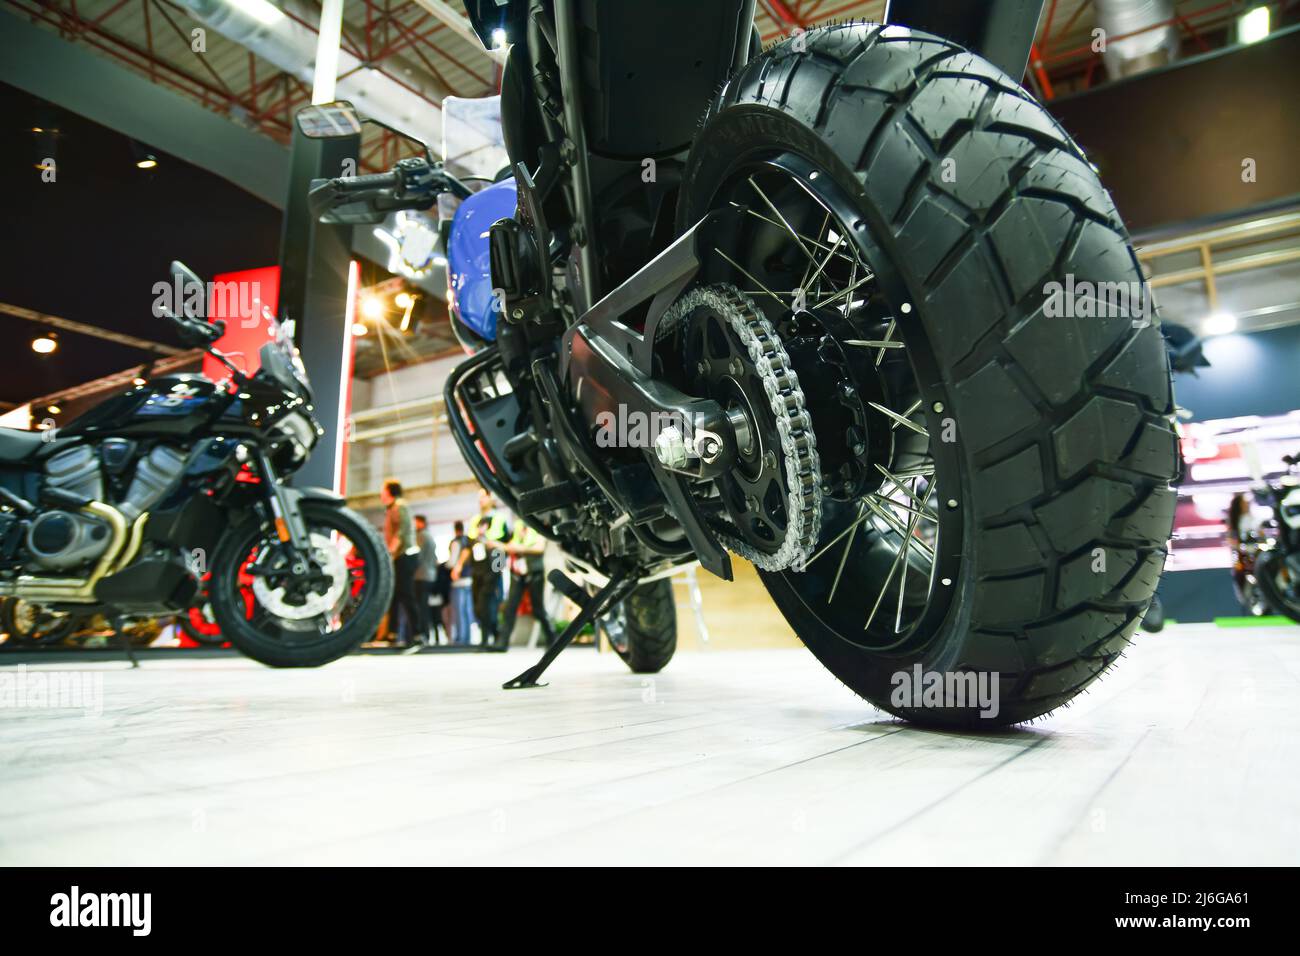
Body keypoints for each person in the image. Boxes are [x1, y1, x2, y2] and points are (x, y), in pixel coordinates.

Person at [491, 520, 555, 650]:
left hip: (534, 572)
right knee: (510, 608)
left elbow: (540, 548)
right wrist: (497, 545)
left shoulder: (538, 525)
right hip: (517, 573)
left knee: (538, 609)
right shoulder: (517, 525)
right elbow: (511, 546)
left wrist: (520, 548)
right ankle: (502, 643)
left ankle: (552, 639)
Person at [380, 478, 420, 647]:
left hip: (405, 555)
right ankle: (392, 633)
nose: (380, 493)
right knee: (395, 595)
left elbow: (402, 530)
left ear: (389, 491)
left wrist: (390, 551)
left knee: (406, 594)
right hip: (398, 556)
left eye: (383, 489)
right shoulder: (391, 508)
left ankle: (417, 633)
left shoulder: (400, 505)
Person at [468, 515, 501, 648]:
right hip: (477, 580)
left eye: (483, 526)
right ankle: (495, 635)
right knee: (479, 610)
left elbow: (499, 565)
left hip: (490, 581)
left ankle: (486, 640)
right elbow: (473, 562)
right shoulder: (476, 543)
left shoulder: (496, 543)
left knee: (487, 610)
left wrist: (493, 580)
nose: (480, 529)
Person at [413, 515, 442, 645]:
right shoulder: (430, 537)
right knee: (426, 607)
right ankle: (429, 635)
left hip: (421, 575)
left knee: (421, 607)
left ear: (421, 523)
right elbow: (435, 559)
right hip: (431, 576)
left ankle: (423, 634)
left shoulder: (421, 536)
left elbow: (416, 556)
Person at [447, 520, 474, 645]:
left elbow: (452, 562)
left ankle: (460, 639)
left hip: (458, 580)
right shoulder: (469, 541)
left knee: (458, 611)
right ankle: (467, 638)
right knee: (467, 610)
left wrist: (448, 567)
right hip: (470, 579)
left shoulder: (456, 542)